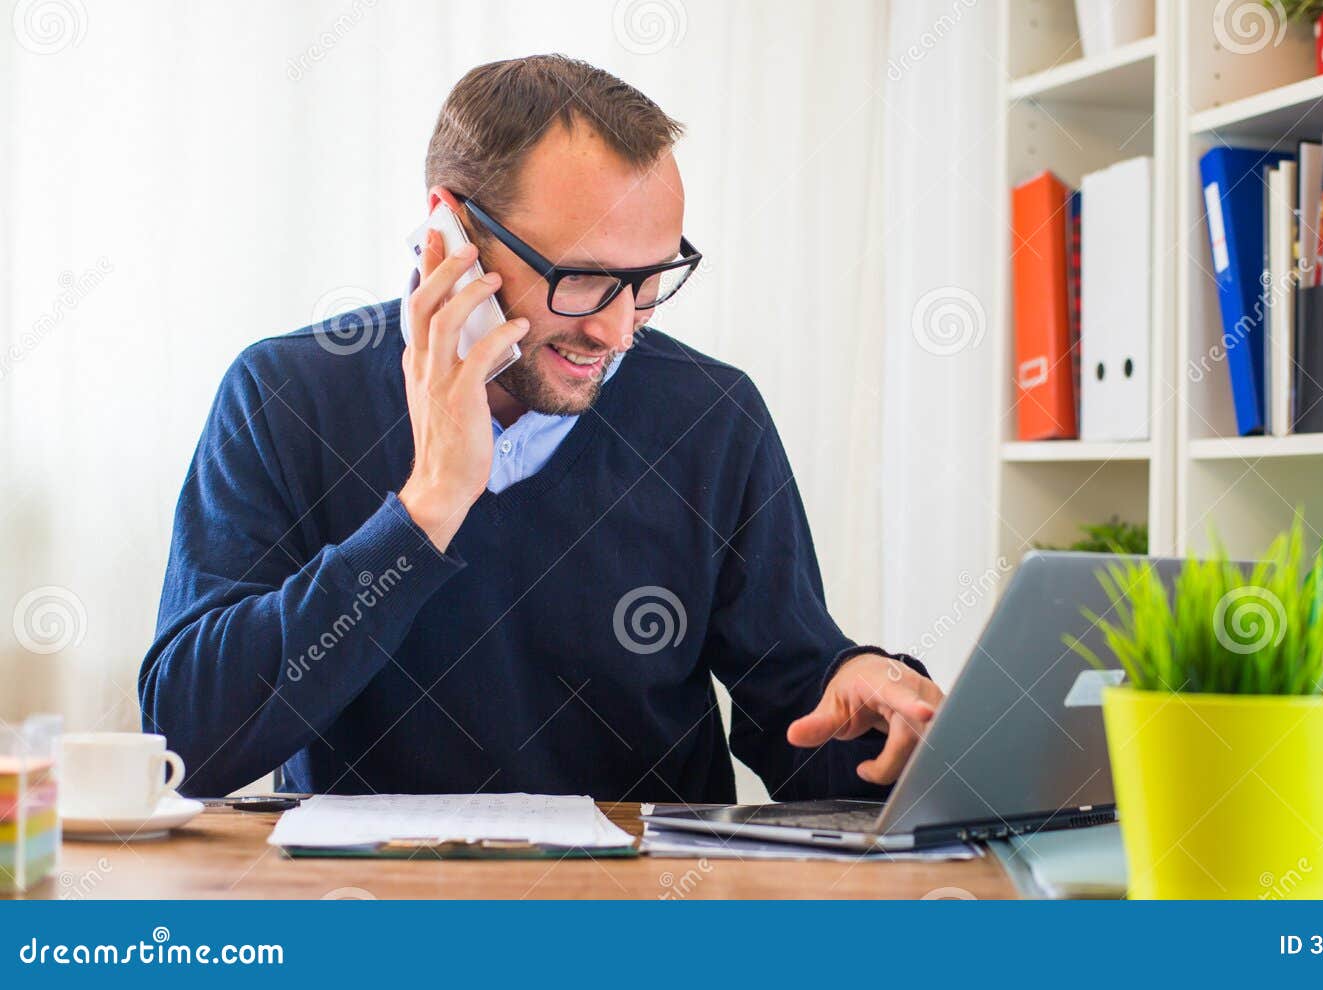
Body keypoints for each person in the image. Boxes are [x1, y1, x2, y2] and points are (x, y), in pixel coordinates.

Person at [139, 55, 944, 802]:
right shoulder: (286, 397)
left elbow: (797, 707)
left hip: (646, 898)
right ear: (448, 234)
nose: (619, 332)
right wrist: (428, 506)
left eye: (650, 280)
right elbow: (188, 744)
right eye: (583, 278)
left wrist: (869, 703)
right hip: (376, 895)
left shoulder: (710, 413)